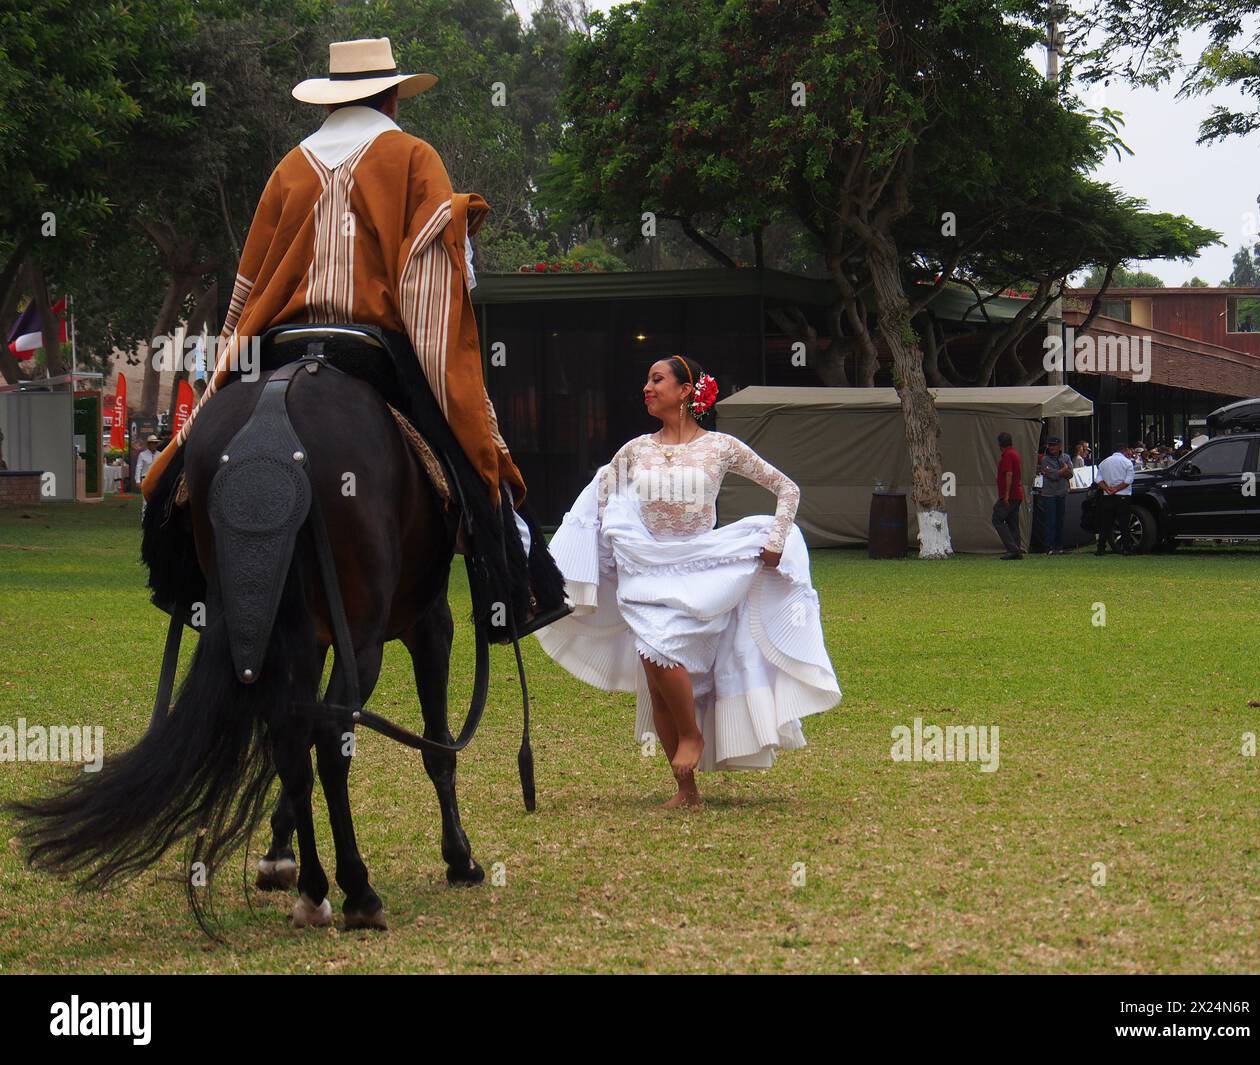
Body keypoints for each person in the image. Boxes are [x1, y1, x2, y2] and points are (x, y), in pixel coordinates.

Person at [138, 36, 566, 637]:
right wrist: (460, 224)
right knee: (475, 455)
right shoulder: (413, 156)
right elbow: (433, 280)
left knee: (181, 468)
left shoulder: (288, 166)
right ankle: (515, 591)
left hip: (274, 346)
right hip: (370, 352)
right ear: (392, 97)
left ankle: (181, 580)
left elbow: (248, 282)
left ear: (329, 102)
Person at [534, 355, 841, 809]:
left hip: (700, 566)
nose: (646, 387)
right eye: (646, 379)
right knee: (654, 673)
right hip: (643, 570)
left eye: (657, 379)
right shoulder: (635, 450)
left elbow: (787, 489)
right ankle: (686, 790)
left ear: (686, 391)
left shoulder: (721, 447)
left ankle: (693, 736)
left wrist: (776, 539)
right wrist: (616, 542)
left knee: (662, 656)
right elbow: (600, 500)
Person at [1094, 443, 1136, 555]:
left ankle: (1101, 548)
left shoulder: (1104, 462)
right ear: (1124, 451)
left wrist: (1107, 488)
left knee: (1106, 523)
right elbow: (1128, 480)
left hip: (1107, 495)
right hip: (1123, 495)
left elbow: (1098, 479)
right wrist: (1116, 489)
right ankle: (1126, 548)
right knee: (1124, 523)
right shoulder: (1127, 462)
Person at [992, 431, 1025, 560]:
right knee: (1012, 521)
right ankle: (1016, 548)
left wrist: (1006, 495)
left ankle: (1013, 549)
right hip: (1017, 494)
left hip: (1010, 495)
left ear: (1000, 444)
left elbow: (1009, 474)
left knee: (997, 519)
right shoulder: (1014, 454)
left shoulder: (1007, 455)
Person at [1038, 436, 1073, 555]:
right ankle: (1049, 547)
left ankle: (1059, 547)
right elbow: (1052, 476)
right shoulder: (1045, 459)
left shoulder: (1066, 457)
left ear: (1059, 446)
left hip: (1061, 493)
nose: (1051, 447)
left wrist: (1062, 471)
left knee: (1060, 521)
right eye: (1050, 445)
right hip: (1049, 494)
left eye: (1053, 445)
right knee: (1050, 521)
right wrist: (1063, 470)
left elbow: (1070, 474)